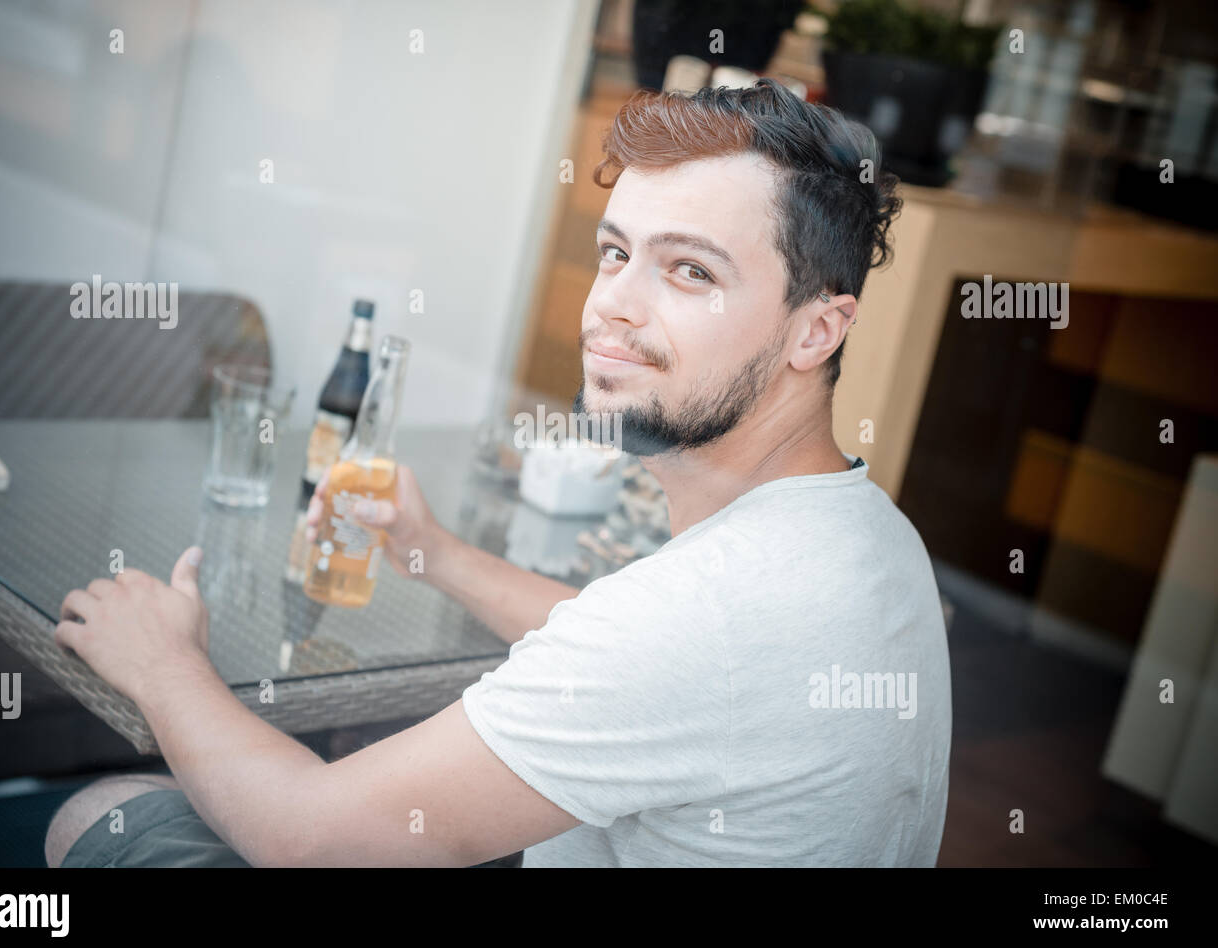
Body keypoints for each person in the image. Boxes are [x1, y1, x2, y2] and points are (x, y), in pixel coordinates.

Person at [47, 78, 950, 868]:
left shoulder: (699, 619)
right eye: (615, 251)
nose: (612, 305)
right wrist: (430, 551)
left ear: (816, 331)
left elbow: (304, 838)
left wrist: (165, 664)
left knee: (95, 813)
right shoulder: (867, 533)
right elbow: (649, 659)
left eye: (688, 269)